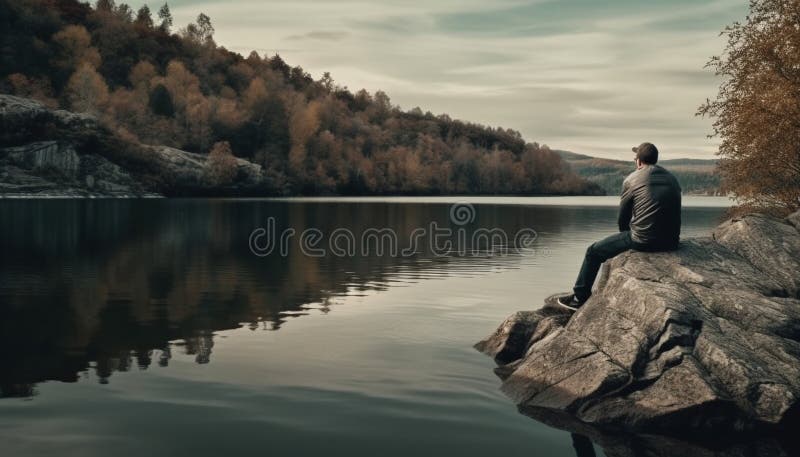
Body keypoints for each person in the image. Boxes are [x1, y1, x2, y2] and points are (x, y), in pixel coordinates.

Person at [558, 142, 682, 311]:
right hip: (672, 242)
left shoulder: (632, 179)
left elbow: (623, 217)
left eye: (635, 158)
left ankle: (579, 297)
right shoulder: (672, 178)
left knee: (593, 252)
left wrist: (625, 236)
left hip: (643, 241)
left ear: (638, 161)